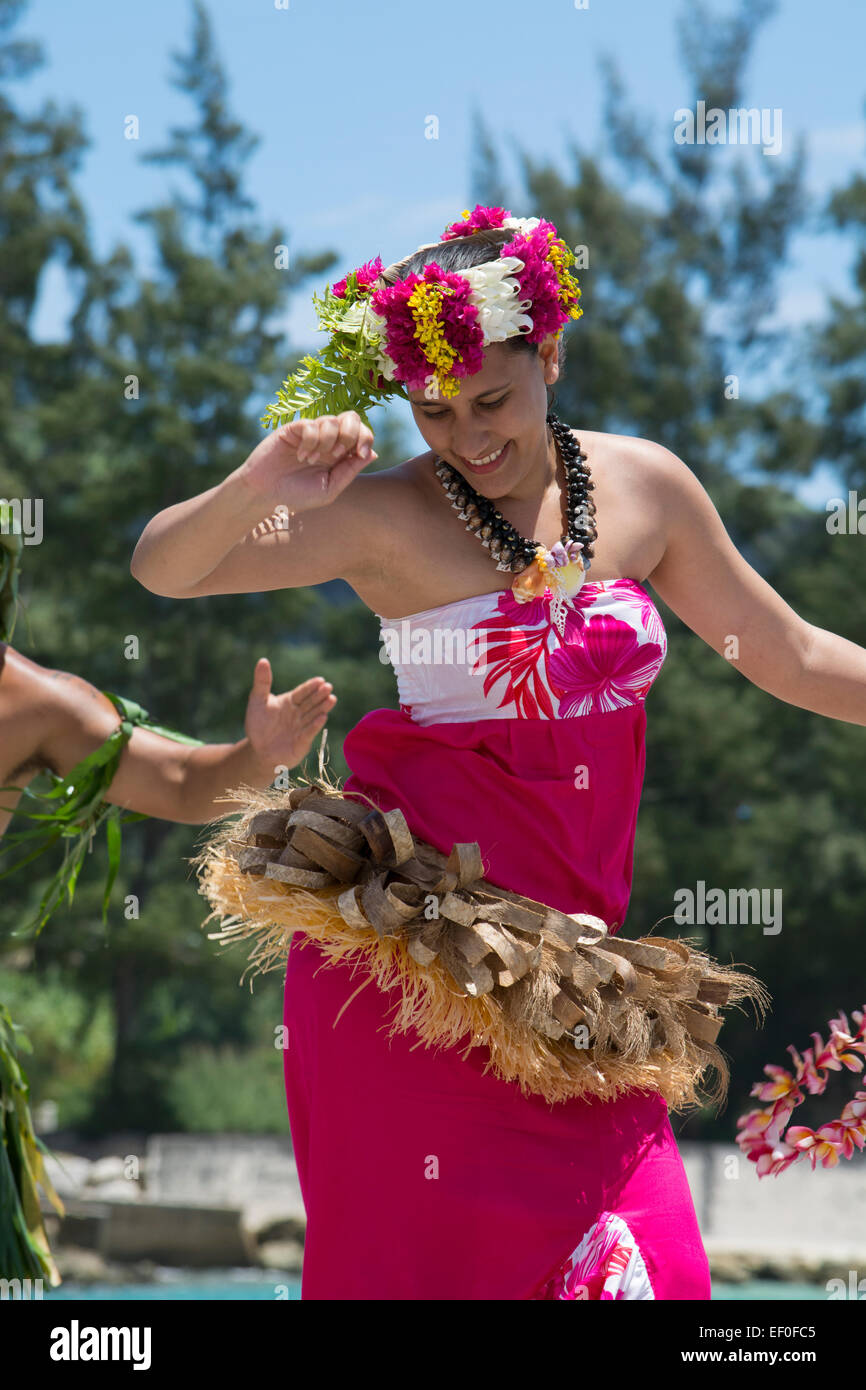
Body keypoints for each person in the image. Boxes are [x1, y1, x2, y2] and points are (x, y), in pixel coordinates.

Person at [129, 206, 866, 1300]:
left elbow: (792, 654)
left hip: (576, 984)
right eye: (432, 410)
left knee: (655, 1270)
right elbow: (164, 568)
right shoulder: (381, 519)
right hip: (408, 974)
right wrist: (261, 480)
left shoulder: (646, 489)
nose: (467, 435)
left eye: (492, 400)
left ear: (549, 352)